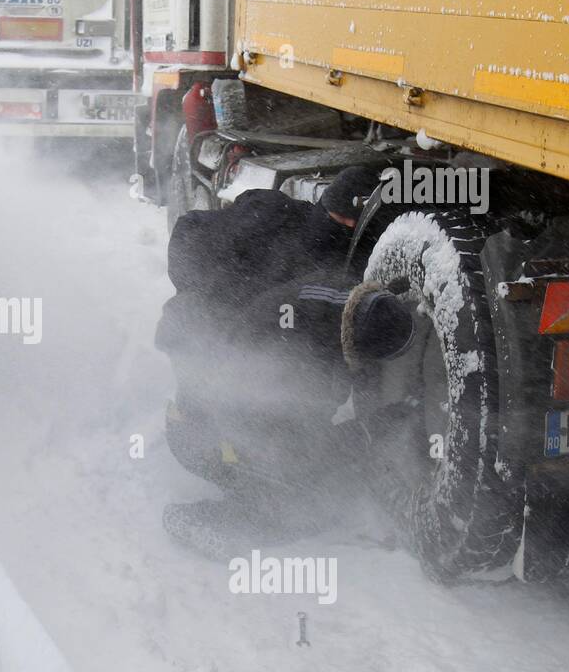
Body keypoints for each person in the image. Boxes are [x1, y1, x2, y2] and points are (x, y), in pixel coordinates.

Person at [157, 166, 414, 557]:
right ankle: (239, 513)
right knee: (300, 497)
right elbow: (190, 236)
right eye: (340, 217)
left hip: (227, 401)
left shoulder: (317, 276)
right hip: (206, 430)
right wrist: (213, 298)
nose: (342, 227)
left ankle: (265, 478)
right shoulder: (280, 235)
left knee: (316, 460)